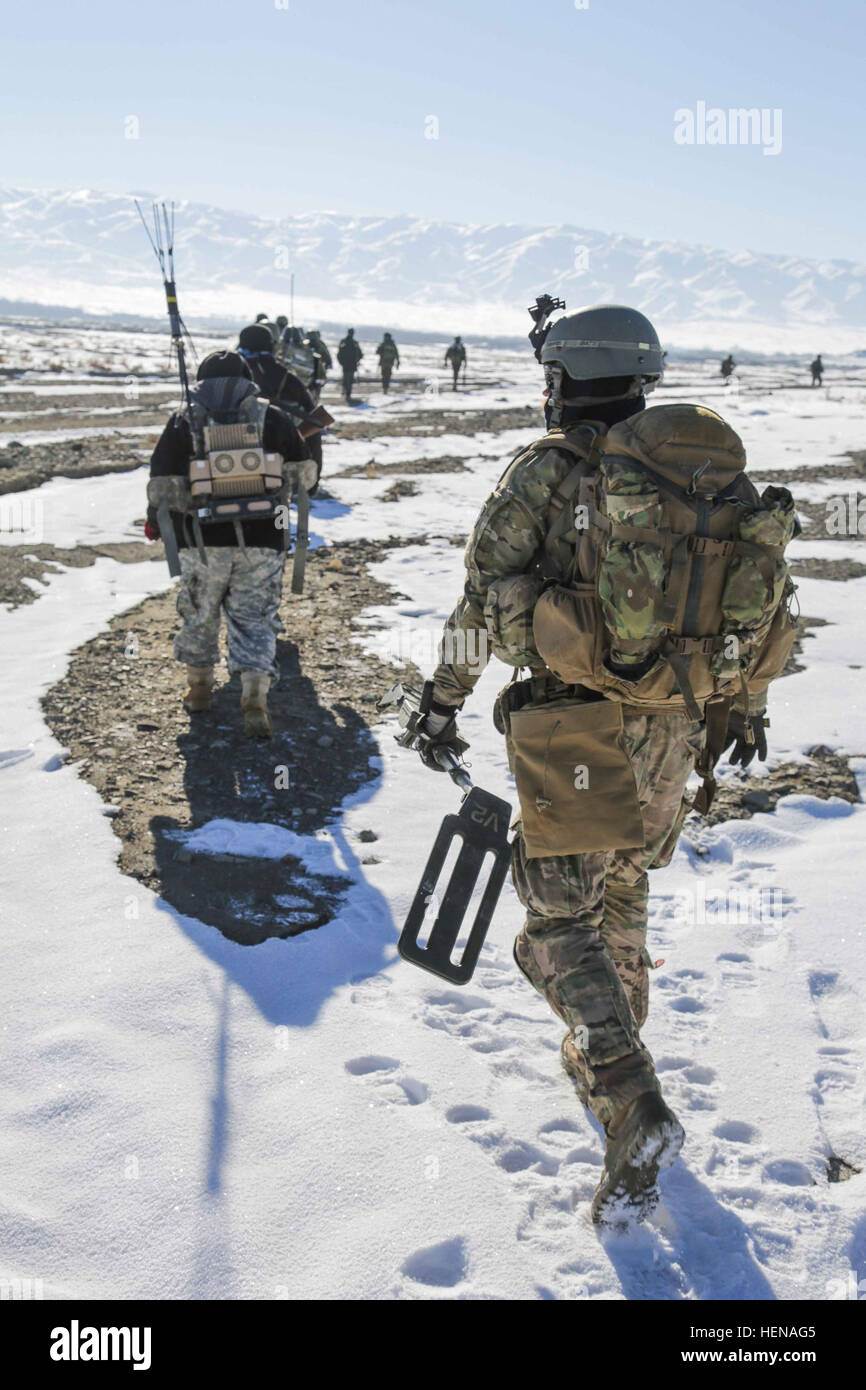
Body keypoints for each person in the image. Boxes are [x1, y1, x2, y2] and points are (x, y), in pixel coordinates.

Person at [406, 304, 797, 1225]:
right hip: (679, 730)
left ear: (565, 376)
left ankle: (628, 1096)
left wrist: (441, 702)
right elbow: (751, 609)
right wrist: (744, 708)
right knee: (621, 897)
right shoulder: (703, 478)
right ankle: (613, 1080)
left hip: (576, 730)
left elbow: (478, 600)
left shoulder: (549, 472)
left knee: (551, 928)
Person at [144, 350, 313, 738]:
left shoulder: (183, 420)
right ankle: (254, 699)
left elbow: (162, 487)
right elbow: (304, 477)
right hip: (263, 539)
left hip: (199, 543)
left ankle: (200, 691)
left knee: (200, 612)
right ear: (247, 379)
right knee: (255, 617)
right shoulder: (273, 417)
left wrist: (163, 519)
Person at [237, 323, 324, 492]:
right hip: (279, 468)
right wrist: (313, 479)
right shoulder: (288, 379)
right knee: (281, 510)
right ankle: (282, 519)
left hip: (232, 467)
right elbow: (313, 425)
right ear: (271, 345)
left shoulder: (232, 380)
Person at [337, 328, 363, 402]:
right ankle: (347, 393)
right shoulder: (354, 343)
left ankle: (346, 392)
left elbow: (339, 354)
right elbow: (360, 354)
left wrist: (341, 362)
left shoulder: (345, 341)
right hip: (350, 364)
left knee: (347, 378)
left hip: (347, 364)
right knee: (349, 379)